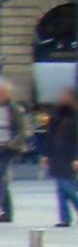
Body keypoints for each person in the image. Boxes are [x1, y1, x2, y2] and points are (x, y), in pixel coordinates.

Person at [0, 80, 29, 223]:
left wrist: (13, 144)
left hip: (8, 149)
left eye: (2, 93)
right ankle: (8, 213)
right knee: (1, 181)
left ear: (7, 94)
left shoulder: (14, 109)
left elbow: (22, 130)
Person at [43, 86, 78, 228]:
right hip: (57, 155)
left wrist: (76, 157)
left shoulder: (75, 116)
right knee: (60, 188)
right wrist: (46, 154)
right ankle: (64, 218)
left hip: (69, 156)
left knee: (66, 186)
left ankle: (66, 217)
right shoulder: (56, 115)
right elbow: (50, 135)